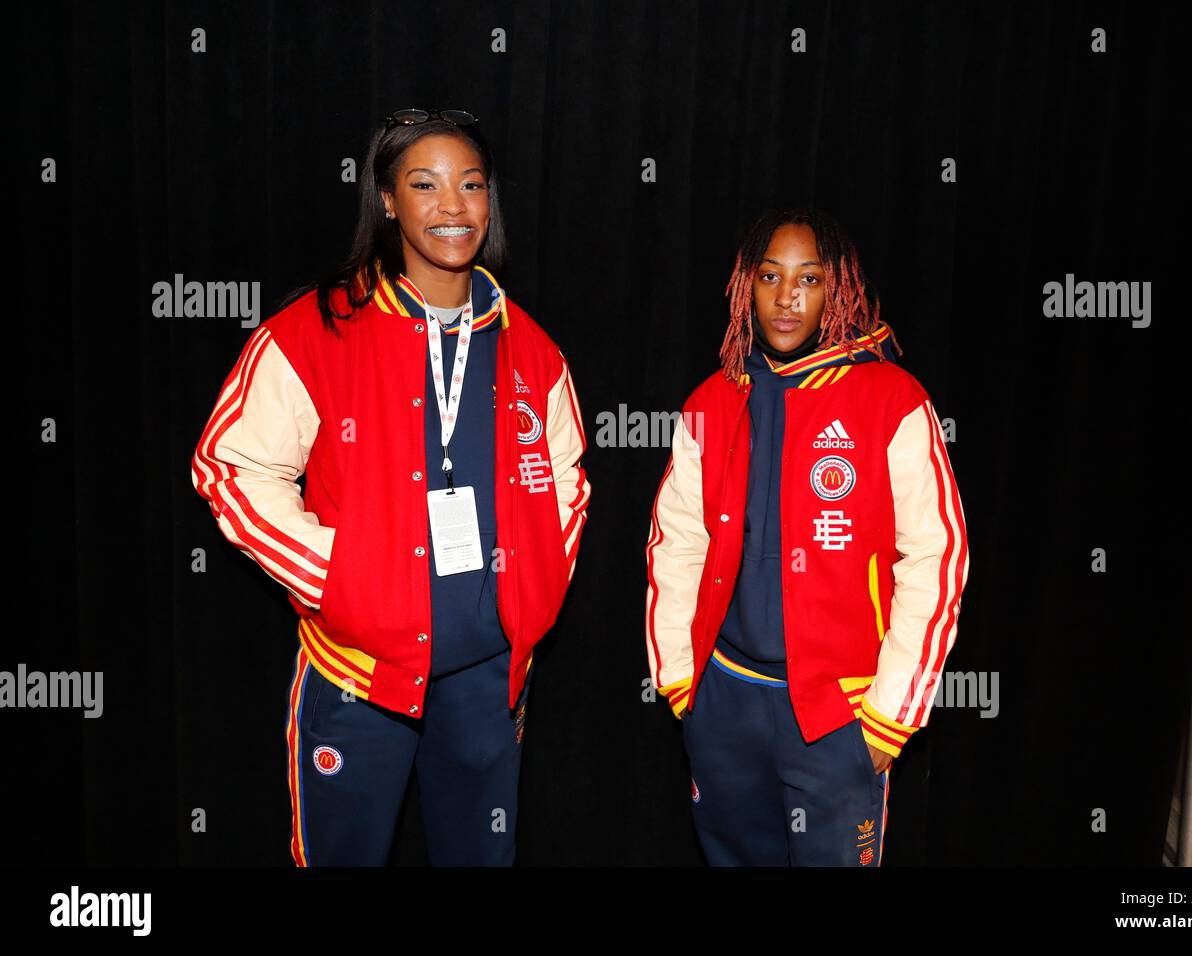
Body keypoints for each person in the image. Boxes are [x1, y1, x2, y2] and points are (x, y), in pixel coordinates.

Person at [192, 108, 591, 866]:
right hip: (358, 671)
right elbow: (230, 465)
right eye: (425, 184)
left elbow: (567, 480)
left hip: (486, 676)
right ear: (385, 199)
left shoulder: (531, 347)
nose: (452, 206)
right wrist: (335, 577)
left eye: (471, 185)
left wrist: (531, 595)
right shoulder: (317, 330)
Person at [644, 207, 969, 866]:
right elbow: (675, 544)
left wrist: (890, 717)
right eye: (770, 276)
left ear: (837, 290)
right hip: (726, 703)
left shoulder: (892, 400)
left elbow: (937, 559)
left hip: (836, 716)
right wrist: (682, 679)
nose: (786, 297)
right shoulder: (711, 401)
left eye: (808, 279)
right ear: (746, 288)